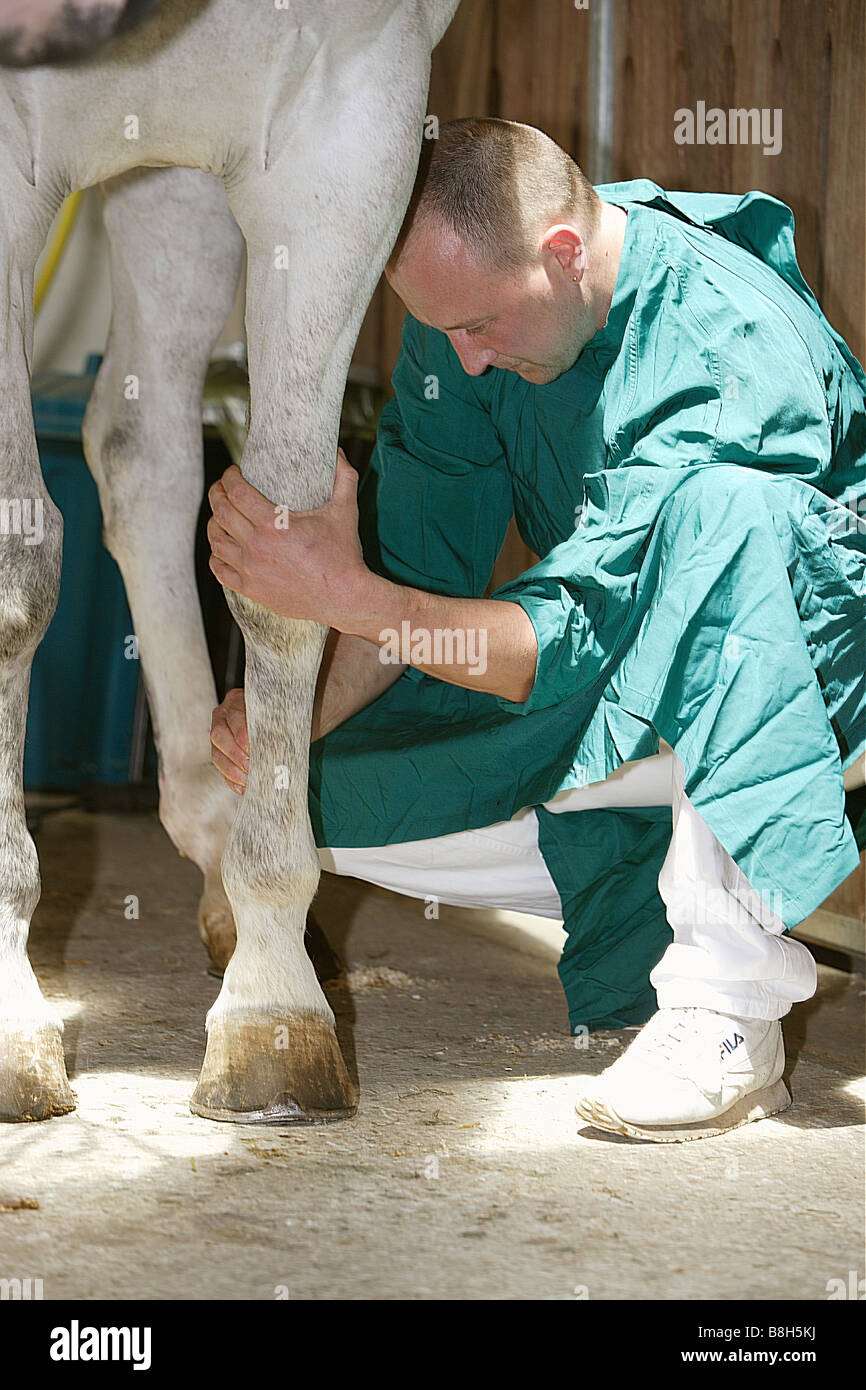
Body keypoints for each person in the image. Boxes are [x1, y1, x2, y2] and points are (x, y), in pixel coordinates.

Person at [207, 117, 865, 1142]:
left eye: (477, 326)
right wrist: (290, 724)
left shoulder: (717, 343)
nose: (464, 362)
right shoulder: (469, 316)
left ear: (561, 253)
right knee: (291, 791)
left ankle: (730, 1010)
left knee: (726, 517)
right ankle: (654, 883)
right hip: (611, 666)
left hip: (799, 678)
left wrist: (345, 594)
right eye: (442, 330)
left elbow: (559, 628)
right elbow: (419, 577)